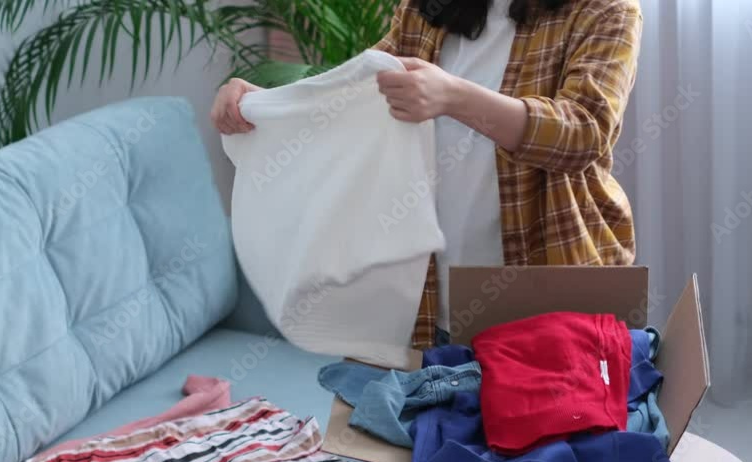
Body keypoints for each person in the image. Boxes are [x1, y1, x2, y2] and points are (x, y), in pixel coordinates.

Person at [211, 0, 643, 350]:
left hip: (547, 281)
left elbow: (585, 132)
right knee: (426, 447)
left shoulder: (605, 10)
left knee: (541, 446)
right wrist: (262, 105)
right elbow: (351, 98)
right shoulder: (425, 10)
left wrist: (454, 96)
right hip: (428, 300)